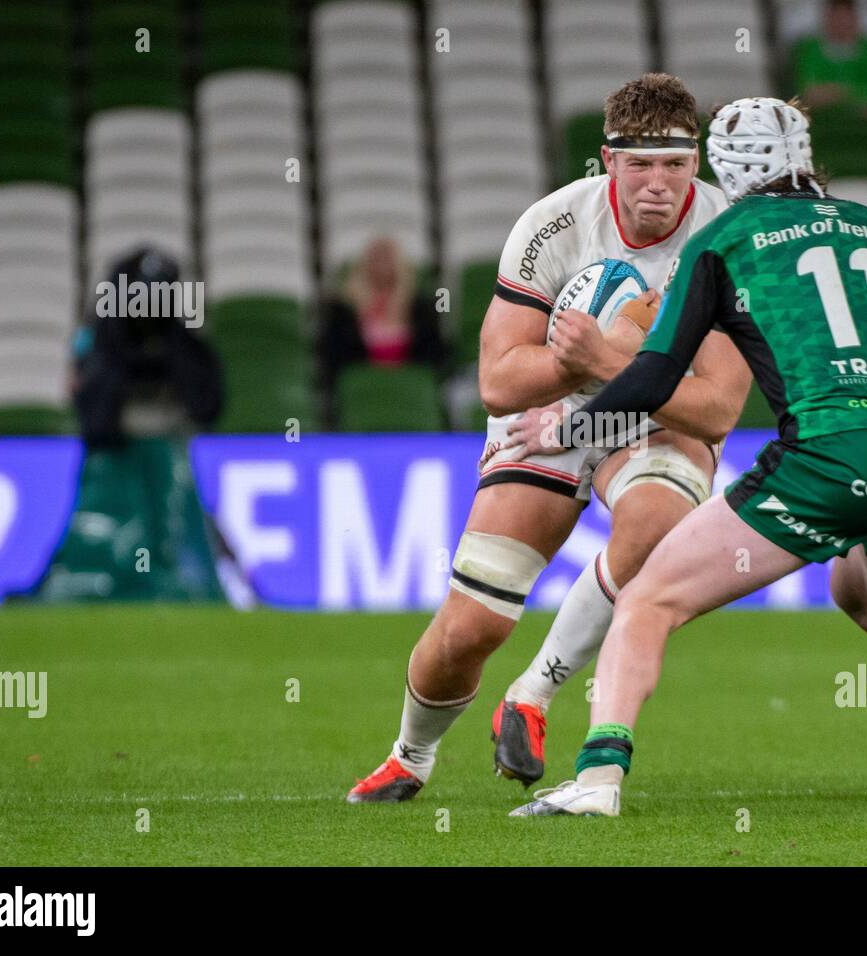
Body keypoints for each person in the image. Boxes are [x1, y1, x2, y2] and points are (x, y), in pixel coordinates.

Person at [503, 96, 867, 817]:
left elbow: (655, 375)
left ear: (725, 167)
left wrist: (567, 428)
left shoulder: (726, 238)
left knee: (648, 597)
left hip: (830, 456)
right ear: (805, 153)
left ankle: (598, 780)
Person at [345, 73, 751, 803]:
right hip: (551, 406)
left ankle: (531, 695)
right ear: (607, 160)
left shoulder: (727, 235)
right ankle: (411, 754)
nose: (658, 183)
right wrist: (583, 363)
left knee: (658, 525)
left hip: (656, 414)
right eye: (640, 164)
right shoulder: (553, 225)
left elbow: (718, 408)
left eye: (676, 164)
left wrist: (610, 358)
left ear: (700, 162)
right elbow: (500, 381)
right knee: (471, 627)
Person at [73, 246, 222, 448]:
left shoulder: (178, 338)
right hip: (112, 445)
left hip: (168, 440)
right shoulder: (100, 337)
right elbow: (85, 385)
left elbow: (207, 401)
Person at [318, 236, 450, 422]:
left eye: (387, 257)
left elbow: (436, 355)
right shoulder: (343, 309)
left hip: (409, 389)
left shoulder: (420, 307)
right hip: (361, 390)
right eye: (376, 257)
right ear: (363, 264)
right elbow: (333, 356)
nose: (381, 264)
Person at [789, 0, 867, 120]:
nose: (841, 23)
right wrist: (855, 96)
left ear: (855, 18)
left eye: (846, 16)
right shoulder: (809, 49)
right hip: (820, 124)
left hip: (866, 125)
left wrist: (838, 92)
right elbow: (807, 95)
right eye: (836, 16)